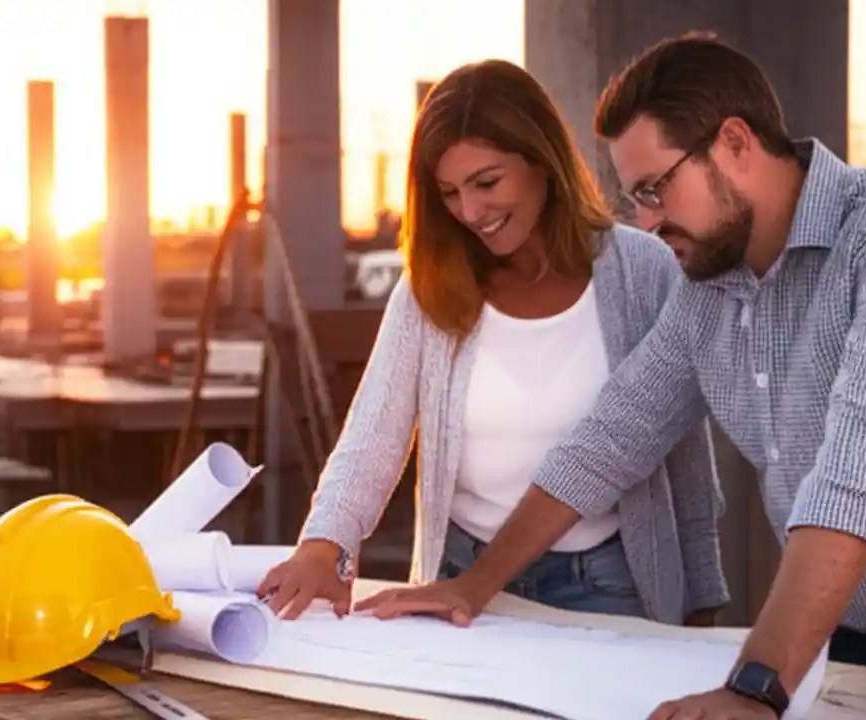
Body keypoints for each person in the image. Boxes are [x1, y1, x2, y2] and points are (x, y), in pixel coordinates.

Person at [357, 33, 866, 716]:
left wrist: (755, 687)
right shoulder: (710, 285)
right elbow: (610, 440)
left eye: (655, 188)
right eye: (632, 196)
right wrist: (474, 586)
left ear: (734, 143)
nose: (645, 220)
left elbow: (859, 477)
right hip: (839, 647)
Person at [255, 58, 729, 628]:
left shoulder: (646, 271)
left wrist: (703, 598)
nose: (470, 212)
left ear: (541, 162)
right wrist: (322, 544)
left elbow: (685, 453)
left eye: (486, 183)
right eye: (450, 192)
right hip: (459, 580)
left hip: (610, 583)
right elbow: (372, 435)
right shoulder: (428, 288)